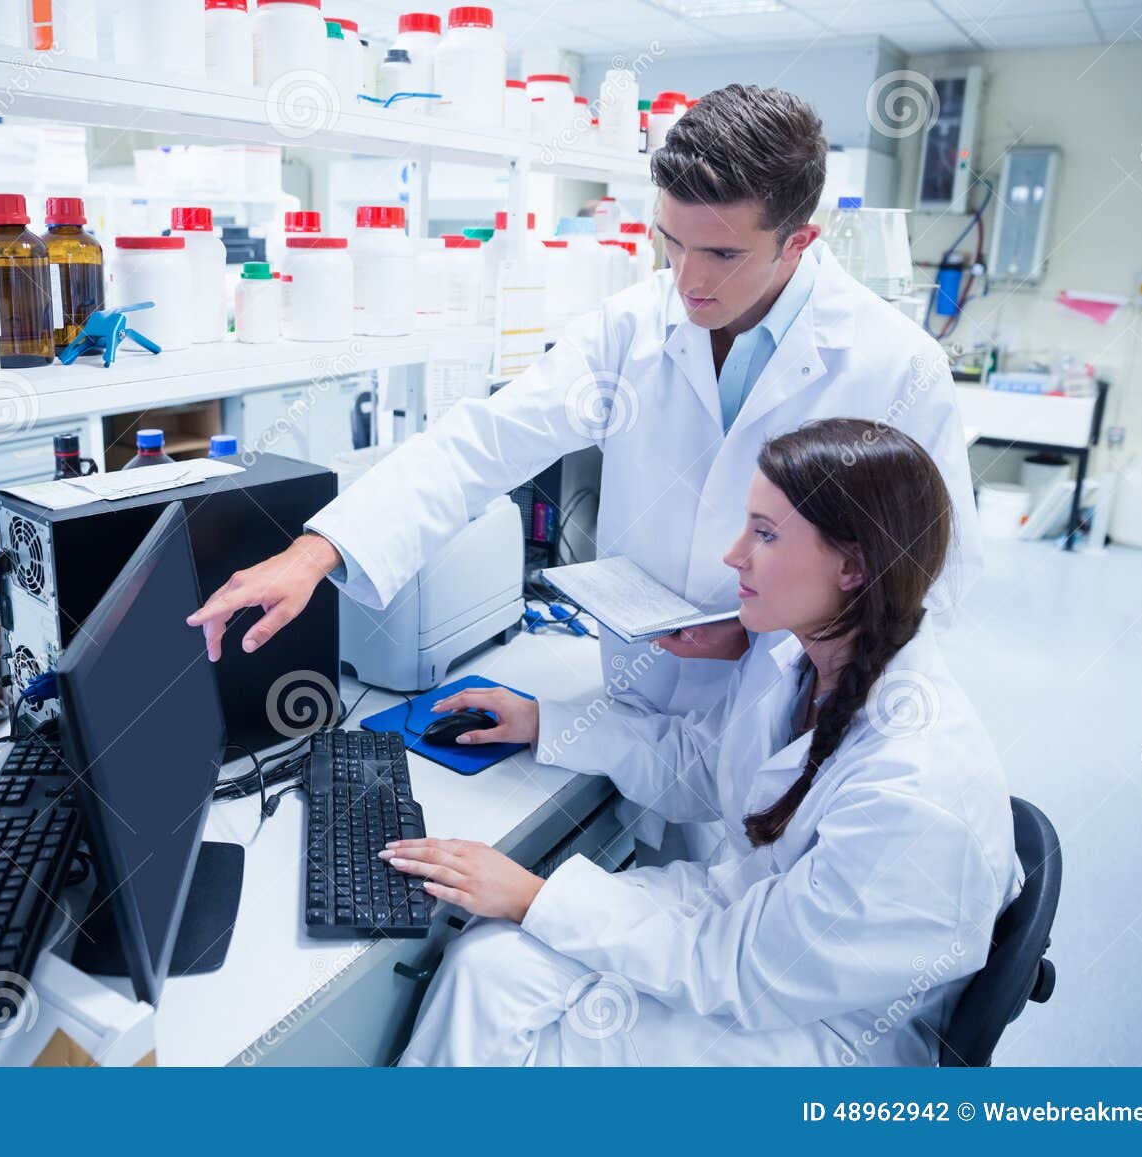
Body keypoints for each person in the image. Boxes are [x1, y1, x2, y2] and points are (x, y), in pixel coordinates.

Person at [189, 84, 982, 862]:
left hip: (777, 730)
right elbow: (484, 442)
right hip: (634, 701)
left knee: (720, 941)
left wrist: (767, 635)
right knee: (628, 894)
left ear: (799, 242)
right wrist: (319, 549)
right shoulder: (633, 326)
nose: (688, 281)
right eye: (670, 242)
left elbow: (932, 585)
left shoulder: (892, 365)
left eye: (722, 253)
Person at [384, 420, 1019, 1066]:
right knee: (485, 965)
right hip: (744, 929)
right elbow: (703, 766)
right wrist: (544, 721)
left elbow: (747, 971)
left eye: (766, 534)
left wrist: (534, 896)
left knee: (541, 1038)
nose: (734, 553)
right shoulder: (805, 662)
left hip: (825, 1029)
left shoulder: (914, 784)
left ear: (852, 565)